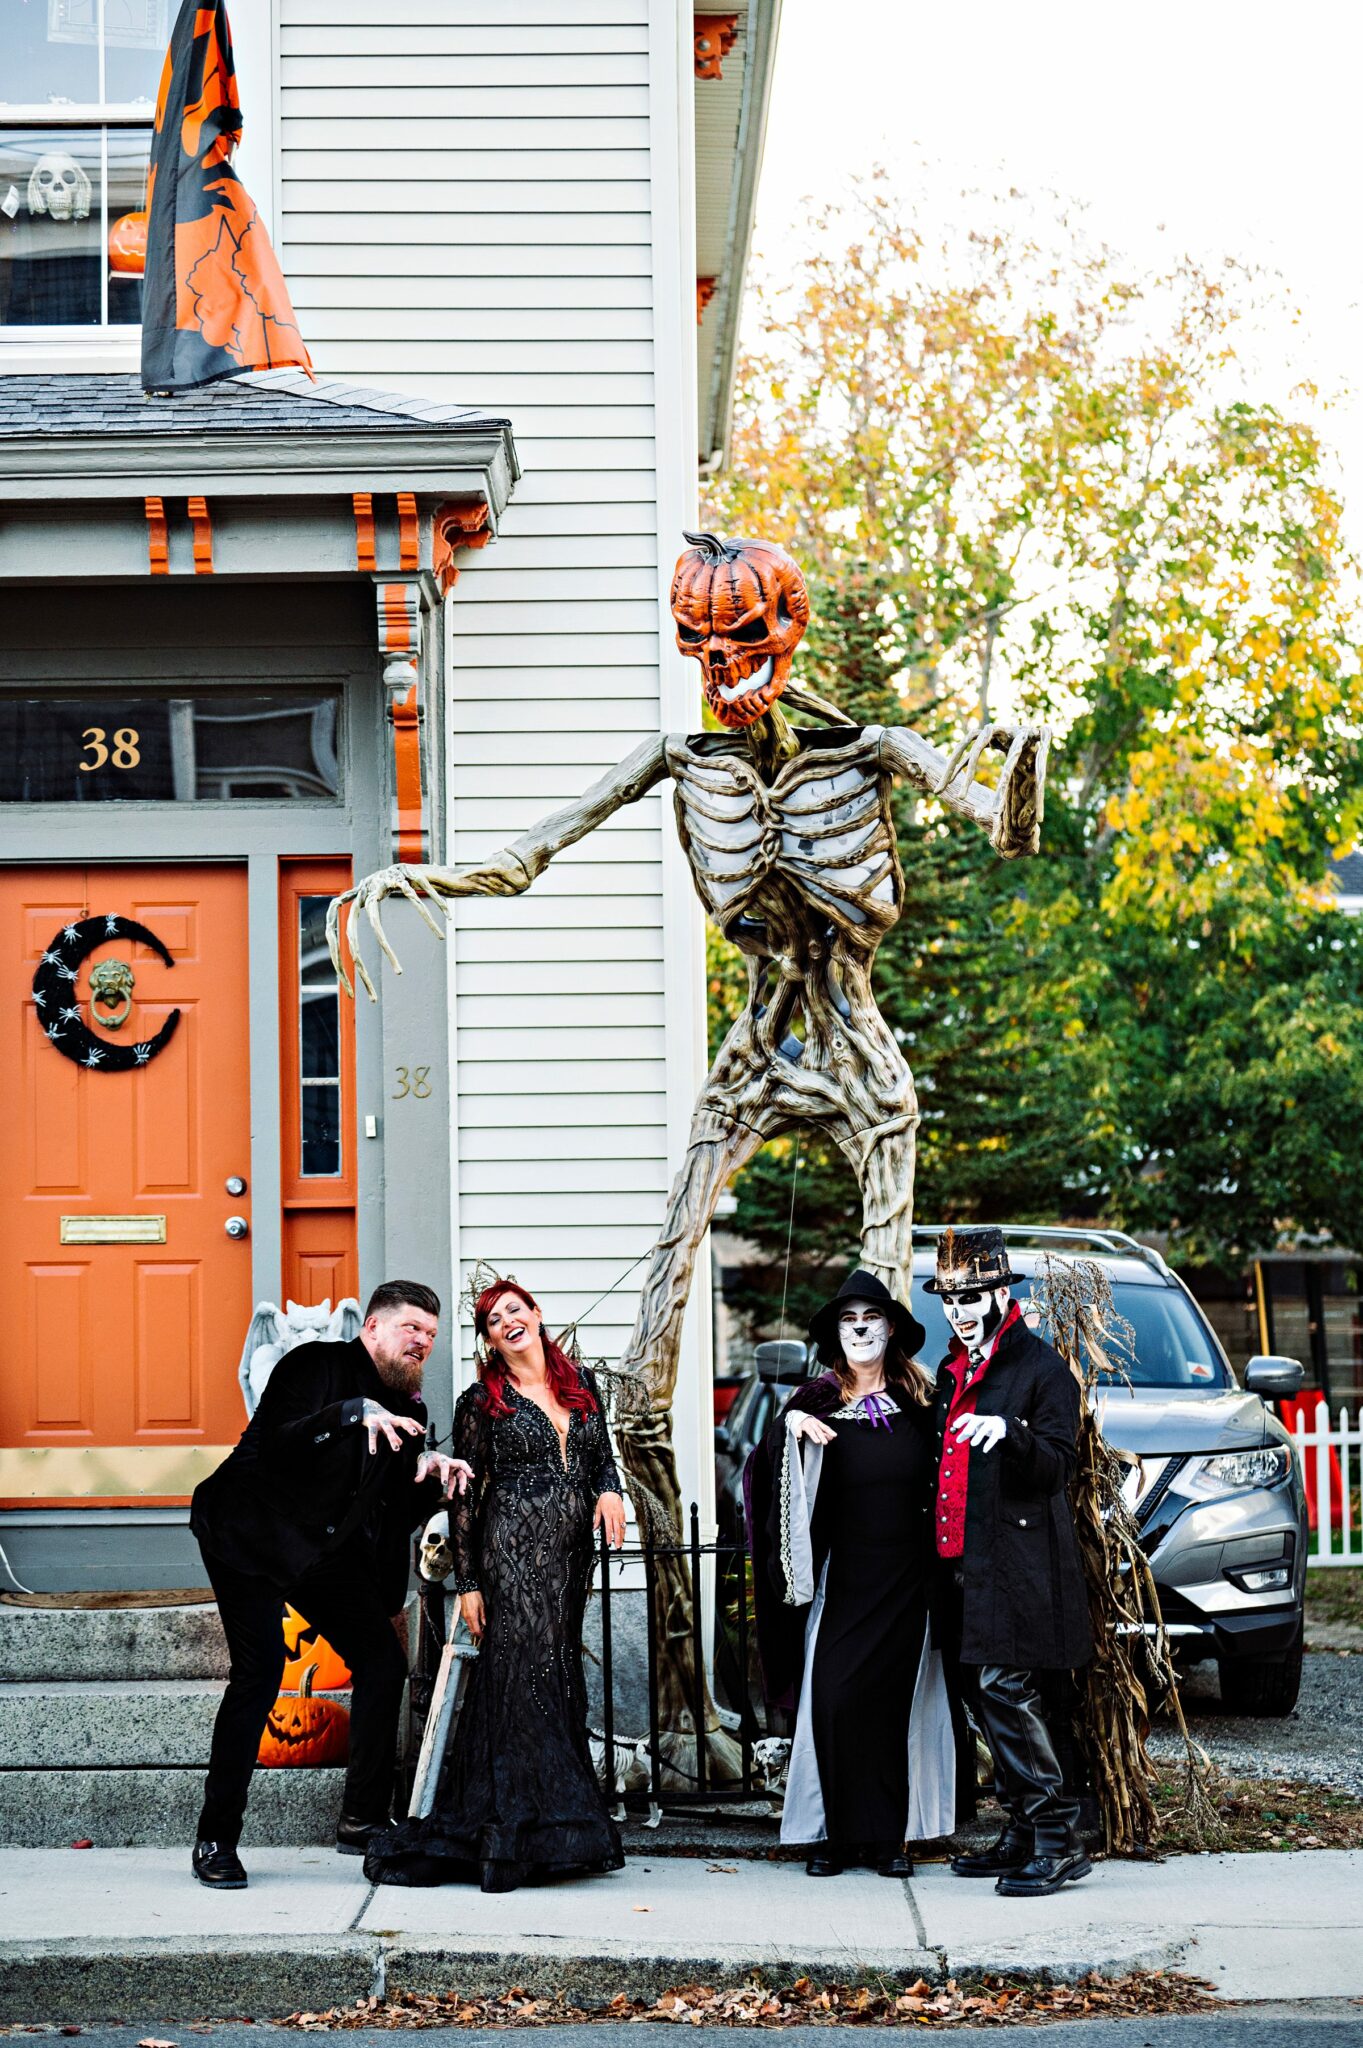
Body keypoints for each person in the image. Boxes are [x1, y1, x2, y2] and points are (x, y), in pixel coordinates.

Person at [188, 1281, 471, 1890]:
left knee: (381, 1661)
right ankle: (215, 1838)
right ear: (372, 1327)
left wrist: (435, 1480)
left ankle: (363, 1820)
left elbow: (393, 1507)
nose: (422, 1342)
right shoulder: (314, 1365)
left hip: (317, 1553)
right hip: (247, 1535)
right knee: (259, 1675)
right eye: (410, 1328)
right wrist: (351, 1415)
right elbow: (278, 1443)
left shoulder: (412, 1412)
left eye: (430, 1335)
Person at [365, 1277, 628, 1893]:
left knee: (556, 1676)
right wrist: (471, 1581)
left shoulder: (580, 1386)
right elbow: (463, 1496)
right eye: (492, 1319)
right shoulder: (483, 1400)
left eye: (515, 1309)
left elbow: (601, 1457)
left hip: (569, 1559)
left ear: (536, 1315)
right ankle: (507, 1834)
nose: (507, 1321)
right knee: (514, 1680)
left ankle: (549, 1827)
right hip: (509, 1553)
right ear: (488, 1339)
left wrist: (611, 1490)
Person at [745, 1269, 956, 1878]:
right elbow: (764, 1478)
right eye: (848, 1319)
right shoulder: (814, 1402)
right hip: (844, 1582)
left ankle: (886, 1840)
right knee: (835, 1700)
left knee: (892, 1710)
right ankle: (836, 1837)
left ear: (892, 1327)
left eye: (872, 1318)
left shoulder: (921, 1404)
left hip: (909, 1582)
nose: (861, 1328)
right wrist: (790, 1433)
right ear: (837, 1334)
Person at [925, 1226, 1093, 1898]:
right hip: (956, 1562)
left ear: (1000, 1292)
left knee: (1005, 1690)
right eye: (948, 1298)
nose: (959, 1310)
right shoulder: (951, 1370)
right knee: (978, 1695)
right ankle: (1023, 1829)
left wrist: (1011, 1433)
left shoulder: (1040, 1369)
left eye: (972, 1295)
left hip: (1015, 1563)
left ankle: (1058, 1839)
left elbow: (1057, 1466)